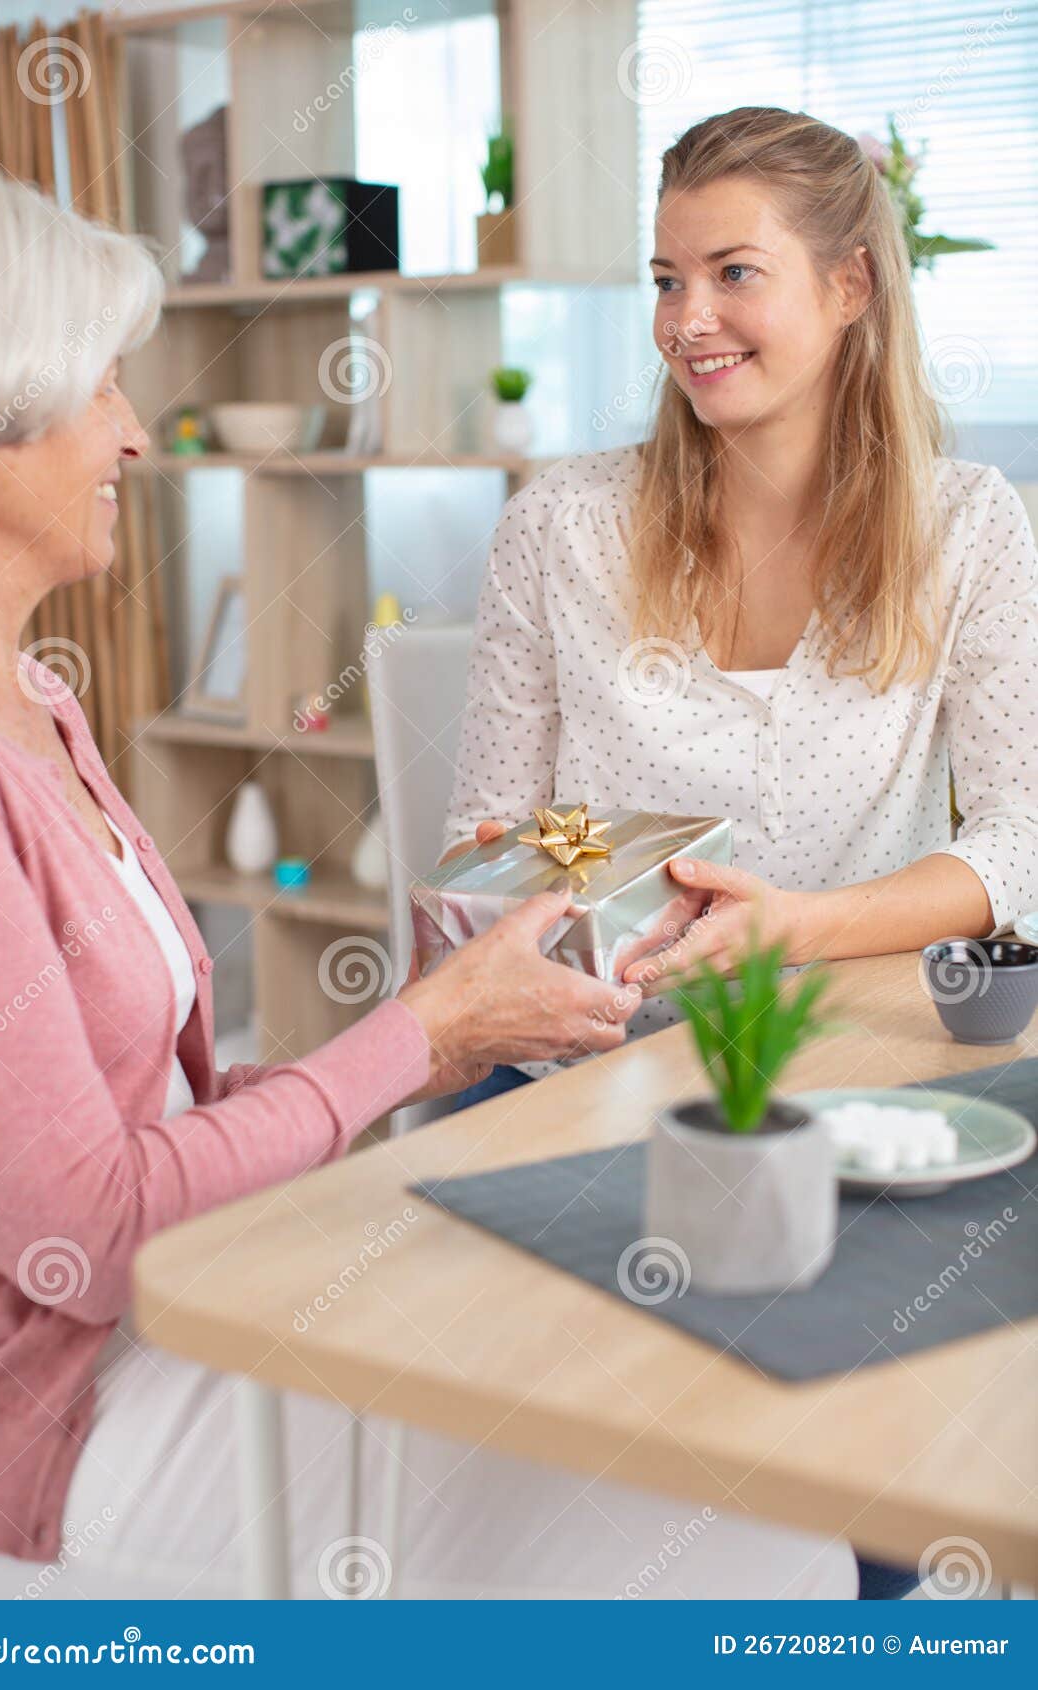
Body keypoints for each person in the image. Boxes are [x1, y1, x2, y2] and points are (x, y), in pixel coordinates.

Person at [0, 169, 855, 1600]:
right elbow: (84, 1220)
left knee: (729, 1425)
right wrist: (438, 1027)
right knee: (746, 1539)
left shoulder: (37, 705)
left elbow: (161, 1109)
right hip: (81, 1398)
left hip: (222, 1281)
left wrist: (418, 1048)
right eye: (102, 388)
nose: (137, 430)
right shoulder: (567, 524)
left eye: (735, 275)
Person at [442, 107, 1038, 1596]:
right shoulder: (563, 524)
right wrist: (620, 871)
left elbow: (1025, 836)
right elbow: (492, 834)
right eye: (662, 278)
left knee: (890, 1477)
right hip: (593, 1065)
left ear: (850, 287)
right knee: (629, 1481)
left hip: (864, 1083)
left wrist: (804, 926)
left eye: (730, 273)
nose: (686, 321)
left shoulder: (970, 528)